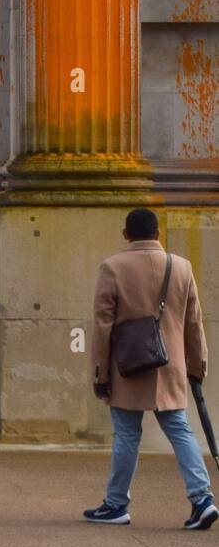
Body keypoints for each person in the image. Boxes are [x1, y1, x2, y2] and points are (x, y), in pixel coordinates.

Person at [84, 207, 215, 530]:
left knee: (127, 434)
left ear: (125, 234)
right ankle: (202, 498)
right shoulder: (181, 267)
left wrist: (100, 374)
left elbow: (103, 325)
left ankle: (116, 505)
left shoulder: (112, 267)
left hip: (129, 365)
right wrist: (197, 366)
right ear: (158, 233)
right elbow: (193, 323)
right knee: (181, 430)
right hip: (170, 364)